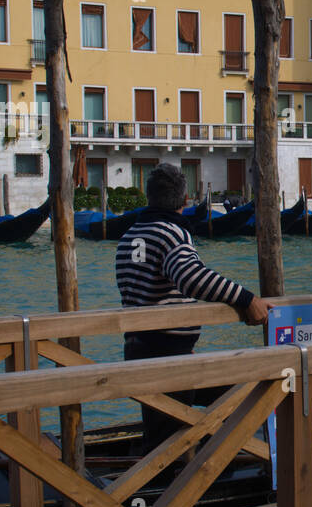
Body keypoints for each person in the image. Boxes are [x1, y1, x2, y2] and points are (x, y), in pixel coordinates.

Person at [116, 163, 271, 453]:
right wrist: (246, 299)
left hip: (137, 350)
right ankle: (214, 467)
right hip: (167, 358)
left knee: (161, 436)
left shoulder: (130, 236)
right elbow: (192, 279)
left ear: (150, 198)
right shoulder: (172, 234)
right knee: (248, 391)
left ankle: (194, 469)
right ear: (185, 201)